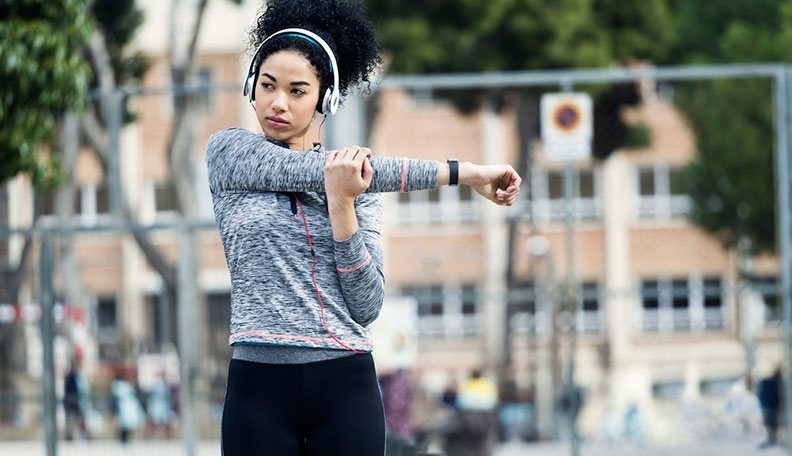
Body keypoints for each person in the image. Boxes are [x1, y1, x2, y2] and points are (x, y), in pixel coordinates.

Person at [205, 0, 521, 454]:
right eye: (268, 85)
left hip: (345, 383)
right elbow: (317, 172)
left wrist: (342, 210)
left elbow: (367, 305)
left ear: (324, 98)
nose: (277, 102)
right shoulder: (229, 153)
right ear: (251, 86)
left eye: (297, 91)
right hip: (258, 384)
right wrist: (465, 172)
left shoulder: (356, 186)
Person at [63, 356, 91, 441]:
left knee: (79, 419)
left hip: (77, 401)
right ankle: (72, 436)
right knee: (74, 419)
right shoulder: (71, 377)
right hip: (73, 401)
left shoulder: (78, 376)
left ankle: (79, 436)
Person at [757, 366, 784, 449]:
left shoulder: (766, 382)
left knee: (771, 425)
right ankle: (772, 440)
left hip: (768, 406)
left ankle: (772, 440)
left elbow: (760, 395)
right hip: (772, 407)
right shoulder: (776, 383)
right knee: (772, 425)